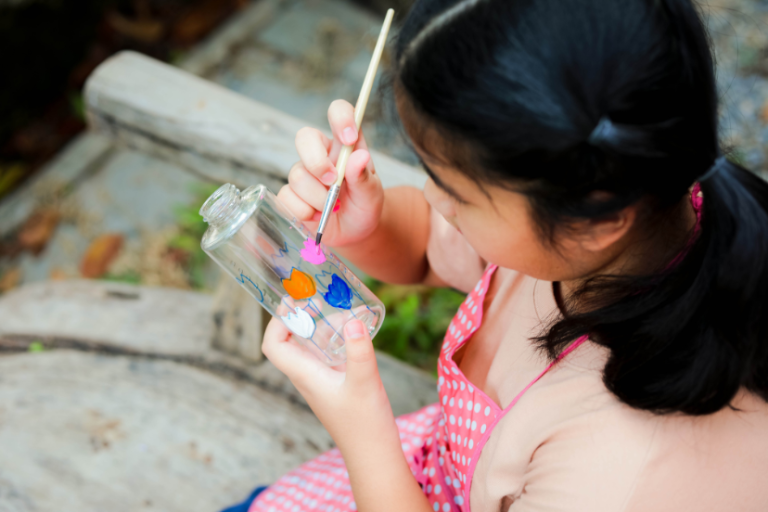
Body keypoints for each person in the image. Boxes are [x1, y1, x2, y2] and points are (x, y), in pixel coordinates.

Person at [228, 0, 768, 510]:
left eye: (453, 190)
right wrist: (370, 225)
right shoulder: (603, 216)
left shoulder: (626, 474)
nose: (433, 198)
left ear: (592, 221)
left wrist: (364, 433)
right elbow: (424, 247)